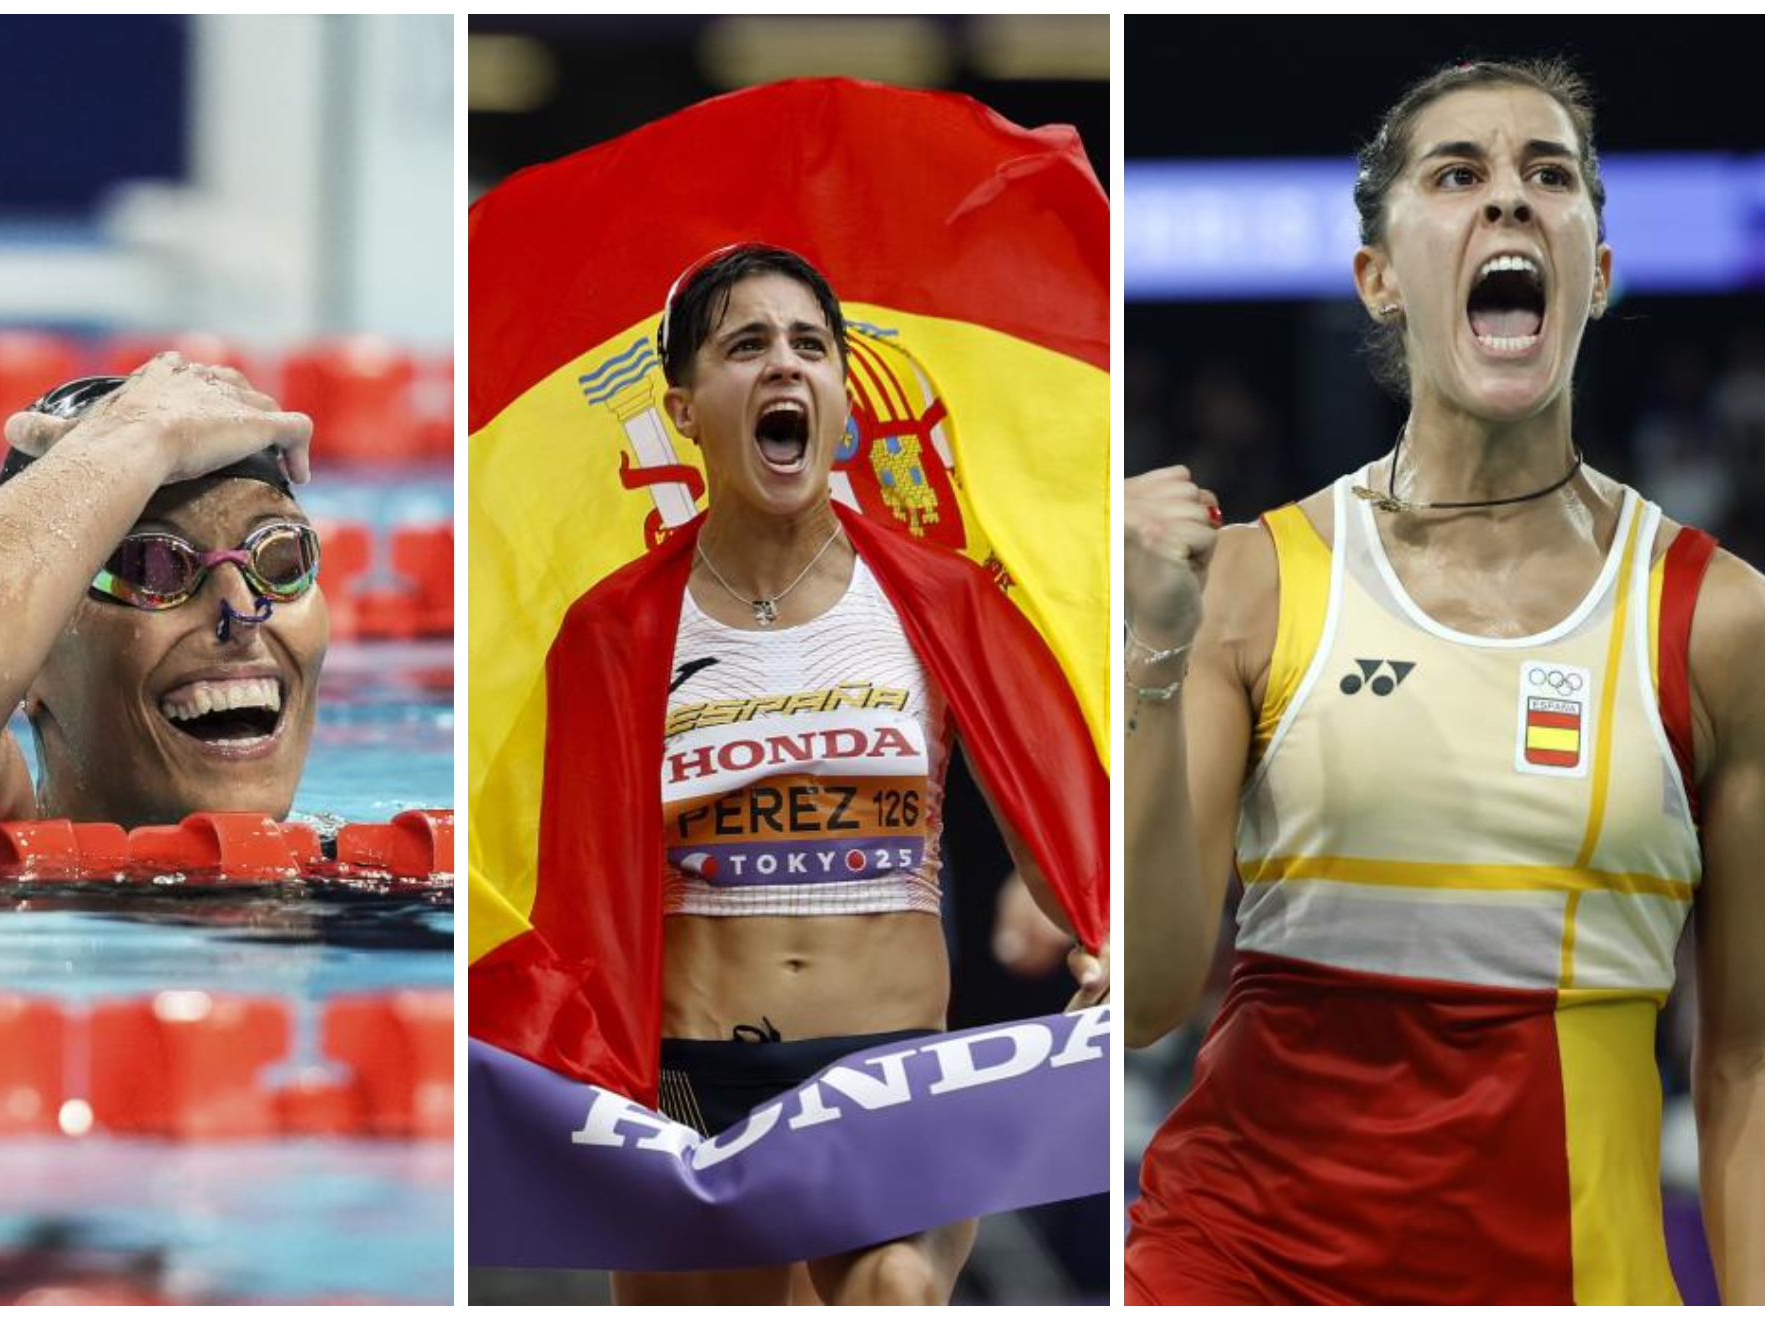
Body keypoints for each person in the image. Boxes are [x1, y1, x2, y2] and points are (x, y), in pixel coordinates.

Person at [1122, 59, 1763, 1305]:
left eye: (1549, 174)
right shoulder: (1253, 583)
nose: (1509, 199)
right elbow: (1149, 996)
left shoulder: (1720, 620)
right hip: (1244, 1269)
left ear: (1597, 273)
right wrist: (1152, 651)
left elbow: (1746, 1064)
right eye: (1458, 174)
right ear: (1378, 276)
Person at [538, 243, 1109, 1305]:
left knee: (893, 1287)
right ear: (683, 410)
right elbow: (573, 889)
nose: (784, 365)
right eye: (745, 345)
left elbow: (1052, 802)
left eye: (810, 345)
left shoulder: (940, 600)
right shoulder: (611, 630)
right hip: (693, 1086)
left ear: (844, 397)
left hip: (888, 1073)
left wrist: (1099, 927)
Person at [0, 354, 322, 853]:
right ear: (28, 661)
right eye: (153, 567)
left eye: (280, 559)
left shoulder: (352, 861)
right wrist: (138, 437)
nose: (241, 613)